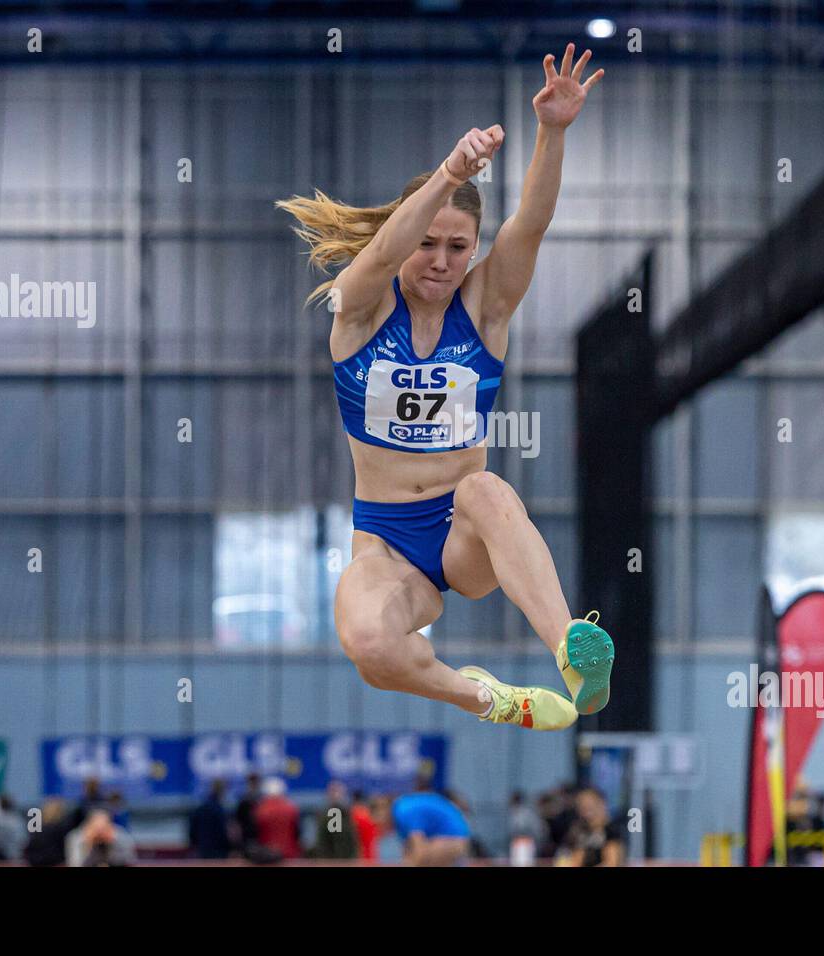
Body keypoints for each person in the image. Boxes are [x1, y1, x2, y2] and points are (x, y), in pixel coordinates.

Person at [276, 43, 612, 731]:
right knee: (370, 646)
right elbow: (374, 258)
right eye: (427, 243)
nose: (441, 262)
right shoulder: (362, 308)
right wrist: (448, 174)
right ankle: (492, 699)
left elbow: (532, 224)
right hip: (388, 540)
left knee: (487, 487)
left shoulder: (484, 308)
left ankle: (568, 649)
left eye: (459, 248)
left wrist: (552, 133)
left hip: (465, 533)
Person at [371, 792, 471, 866]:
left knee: (422, 858)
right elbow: (407, 852)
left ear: (383, 813)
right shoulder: (399, 822)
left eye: (379, 825)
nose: (380, 830)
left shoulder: (403, 812)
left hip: (454, 838)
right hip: (447, 837)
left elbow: (420, 851)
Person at [555, 788, 624, 867]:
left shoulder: (611, 830)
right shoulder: (581, 831)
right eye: (581, 804)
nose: (585, 808)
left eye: (589, 803)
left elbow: (611, 863)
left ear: (601, 803)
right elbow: (576, 860)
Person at [65, 809, 137, 867]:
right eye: (96, 828)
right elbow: (75, 863)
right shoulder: (77, 837)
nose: (100, 833)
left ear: (110, 825)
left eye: (103, 828)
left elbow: (129, 860)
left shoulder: (118, 834)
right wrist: (87, 844)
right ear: (89, 825)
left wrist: (114, 841)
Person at [253, 777, 301, 861]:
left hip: (268, 856)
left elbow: (256, 833)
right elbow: (297, 833)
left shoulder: (261, 810)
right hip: (289, 854)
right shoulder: (291, 809)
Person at [188, 780, 232, 860]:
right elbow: (223, 833)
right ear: (222, 792)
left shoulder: (200, 809)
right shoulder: (219, 811)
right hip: (218, 853)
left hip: (202, 852)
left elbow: (192, 832)